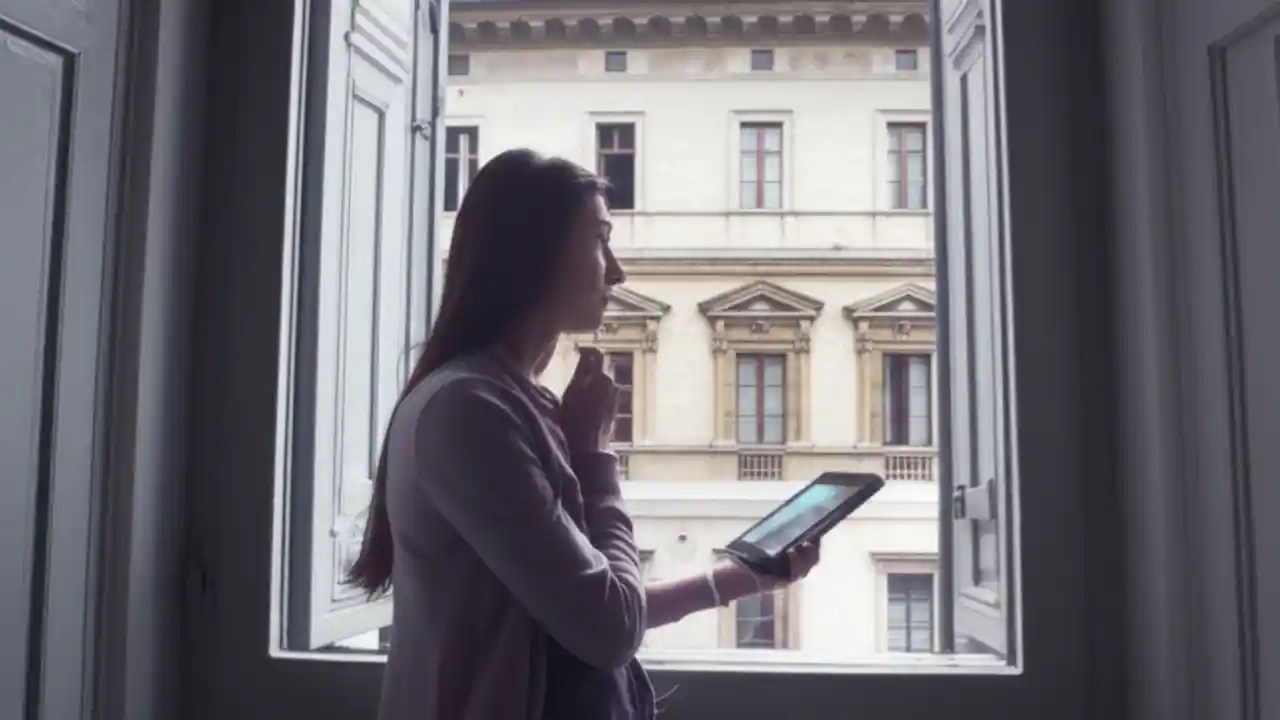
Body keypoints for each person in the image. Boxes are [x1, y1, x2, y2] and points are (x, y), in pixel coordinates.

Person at [347, 148, 821, 720]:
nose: (616, 270)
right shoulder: (468, 410)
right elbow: (610, 628)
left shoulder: (506, 402)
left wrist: (739, 581)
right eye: (600, 239)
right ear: (535, 253)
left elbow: (582, 605)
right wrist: (594, 458)